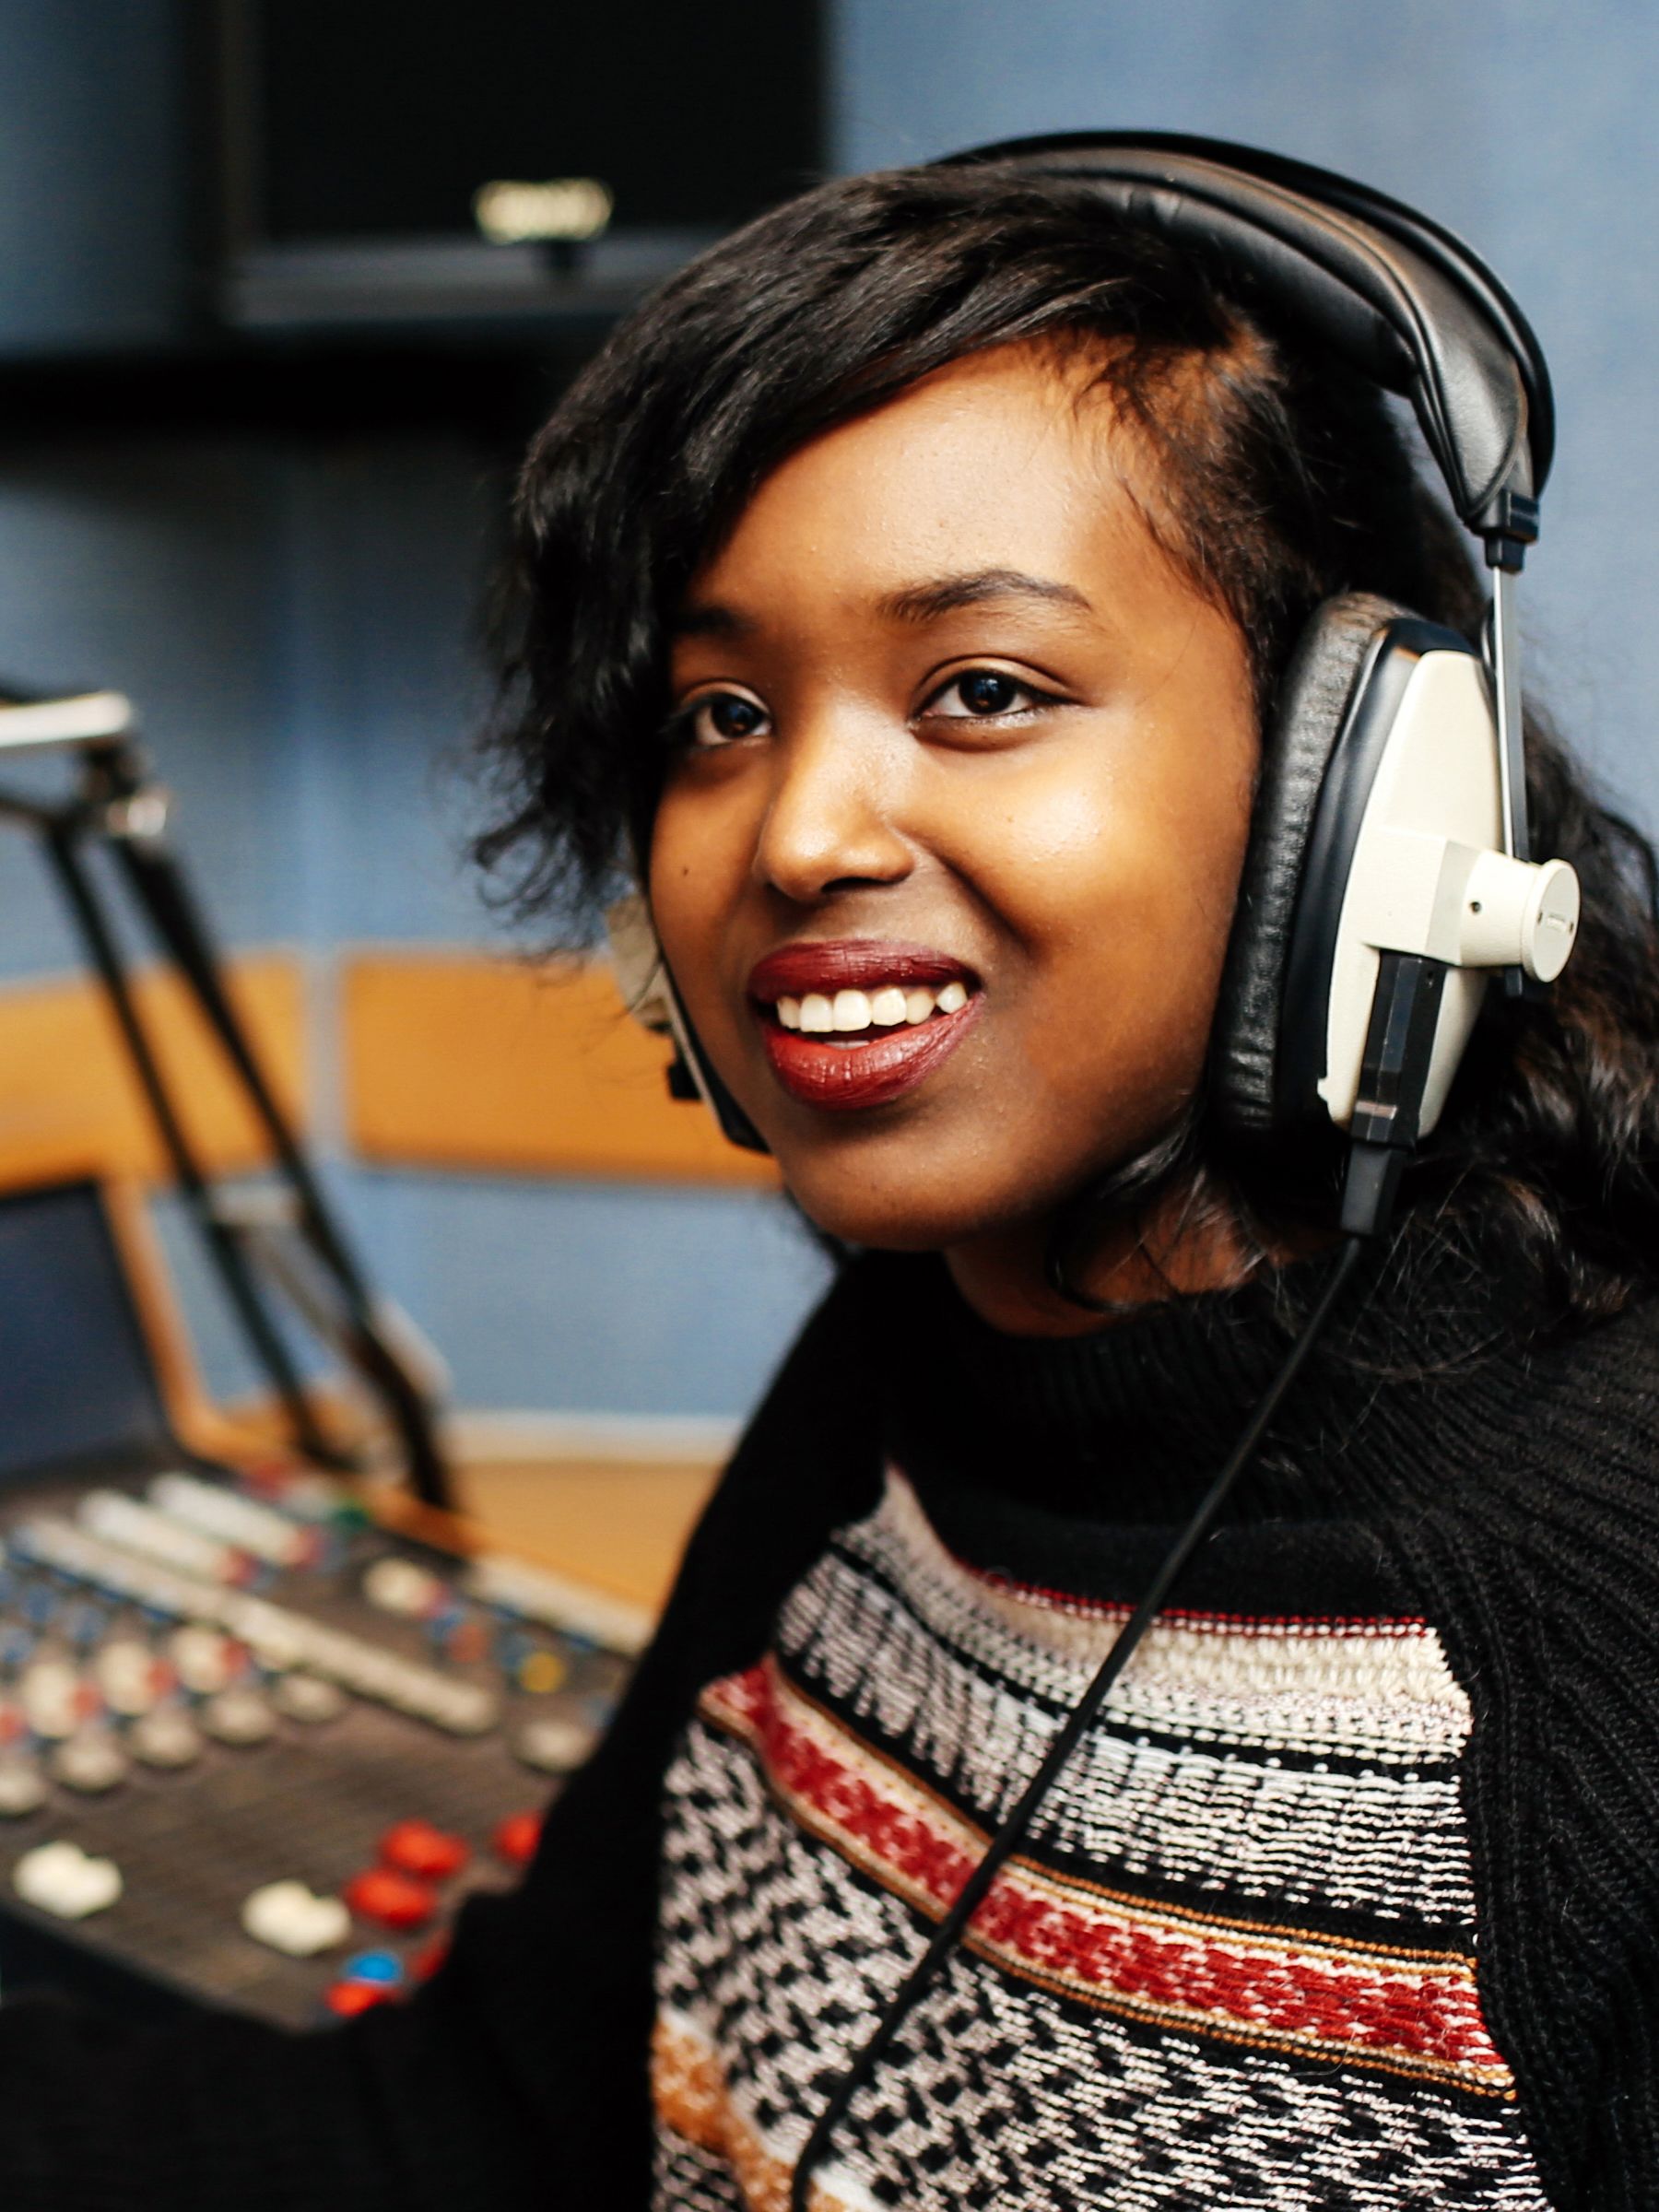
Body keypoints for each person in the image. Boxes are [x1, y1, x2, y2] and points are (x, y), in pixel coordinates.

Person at [2, 142, 1658, 2212]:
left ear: (1379, 802)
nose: (795, 836)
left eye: (981, 690)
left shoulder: (1605, 1593)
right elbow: (496, 2134)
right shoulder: (904, 1374)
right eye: (719, 713)